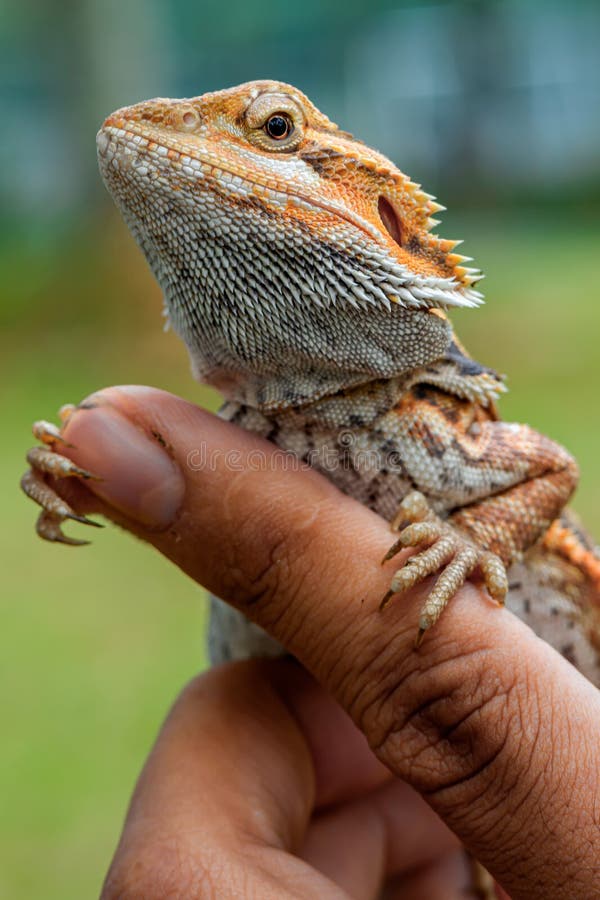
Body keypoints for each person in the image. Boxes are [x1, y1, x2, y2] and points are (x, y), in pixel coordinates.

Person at [53, 385, 600, 899]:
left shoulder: (419, 415)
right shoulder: (236, 426)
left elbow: (550, 467)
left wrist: (477, 538)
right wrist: (72, 470)